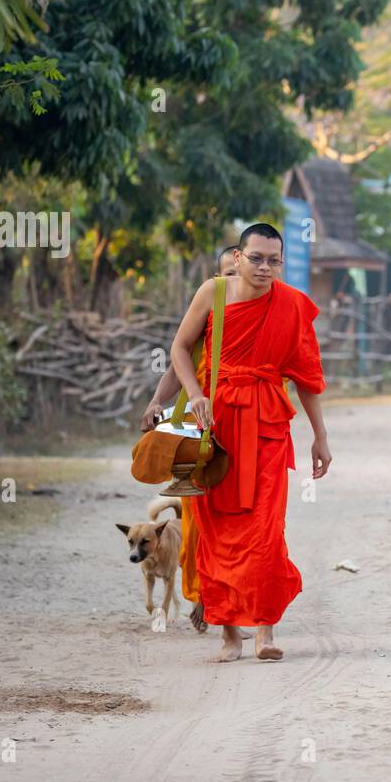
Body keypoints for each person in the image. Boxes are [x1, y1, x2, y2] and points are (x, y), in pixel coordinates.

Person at [168, 223, 331, 662]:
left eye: (273, 260)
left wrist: (320, 436)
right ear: (237, 257)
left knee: (265, 529)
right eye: (256, 258)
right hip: (215, 426)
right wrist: (197, 395)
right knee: (216, 531)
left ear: (282, 262)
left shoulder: (293, 305)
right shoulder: (212, 293)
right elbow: (181, 349)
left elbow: (307, 378)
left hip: (267, 426)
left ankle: (264, 633)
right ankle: (229, 635)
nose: (264, 267)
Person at [140, 245, 241, 634]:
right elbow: (177, 368)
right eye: (226, 276)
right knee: (198, 521)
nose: (233, 284)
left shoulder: (260, 318)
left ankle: (230, 600)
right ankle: (203, 596)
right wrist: (155, 401)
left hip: (242, 425)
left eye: (238, 276)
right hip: (198, 429)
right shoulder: (207, 316)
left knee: (238, 519)